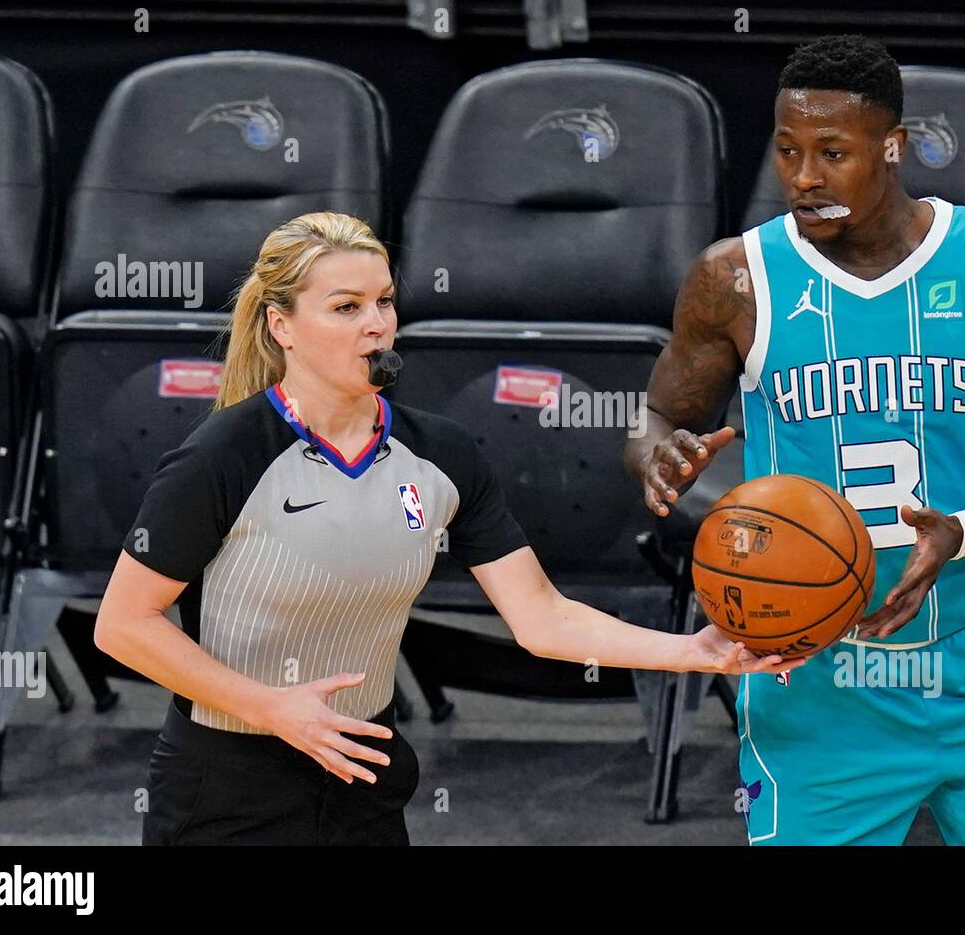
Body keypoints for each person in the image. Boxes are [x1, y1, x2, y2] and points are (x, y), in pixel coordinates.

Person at [94, 211, 802, 846]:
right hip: (227, 787)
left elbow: (543, 617)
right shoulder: (223, 454)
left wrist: (700, 651)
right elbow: (123, 624)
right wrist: (274, 708)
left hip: (363, 773)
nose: (376, 323)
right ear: (281, 325)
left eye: (384, 302)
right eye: (346, 307)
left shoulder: (442, 454)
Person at [625, 35, 965, 845]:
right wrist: (657, 454)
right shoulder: (733, 279)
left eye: (833, 152)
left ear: (892, 147)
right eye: (787, 151)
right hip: (815, 687)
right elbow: (655, 419)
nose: (804, 177)